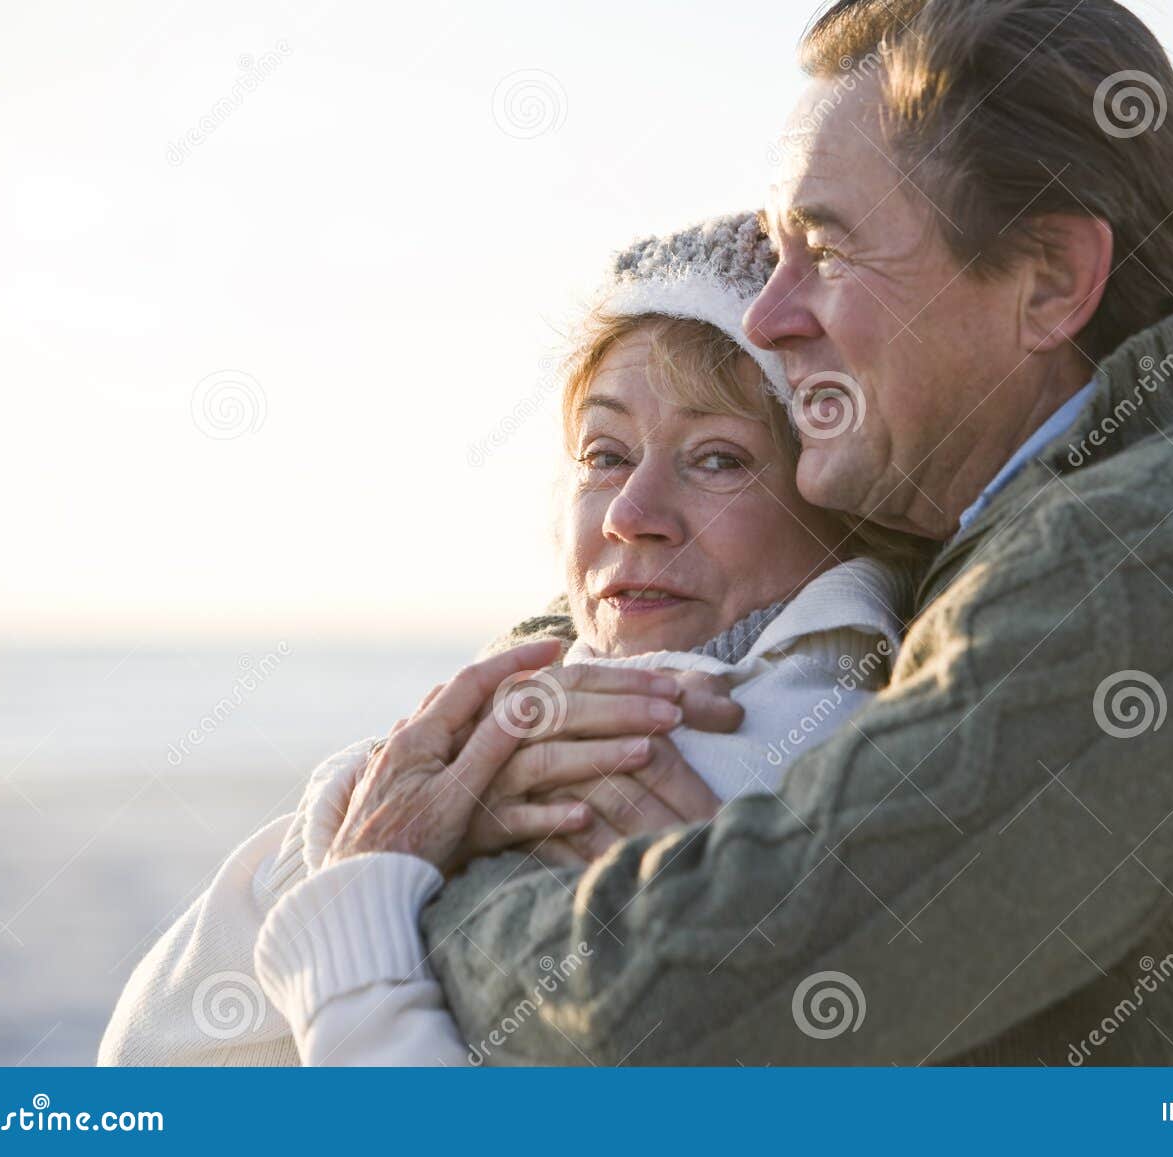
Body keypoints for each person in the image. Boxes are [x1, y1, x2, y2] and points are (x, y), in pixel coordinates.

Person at [294, 0, 1173, 1065]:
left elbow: (679, 1020)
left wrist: (425, 877)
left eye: (829, 248)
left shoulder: (1135, 564)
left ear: (1049, 279)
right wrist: (553, 699)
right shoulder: (1163, 489)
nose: (771, 311)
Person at [97, 214, 927, 1065]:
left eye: (717, 458)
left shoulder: (742, 735)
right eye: (604, 454)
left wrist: (361, 855)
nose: (631, 513)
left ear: (836, 500)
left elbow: (153, 1054)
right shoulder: (547, 704)